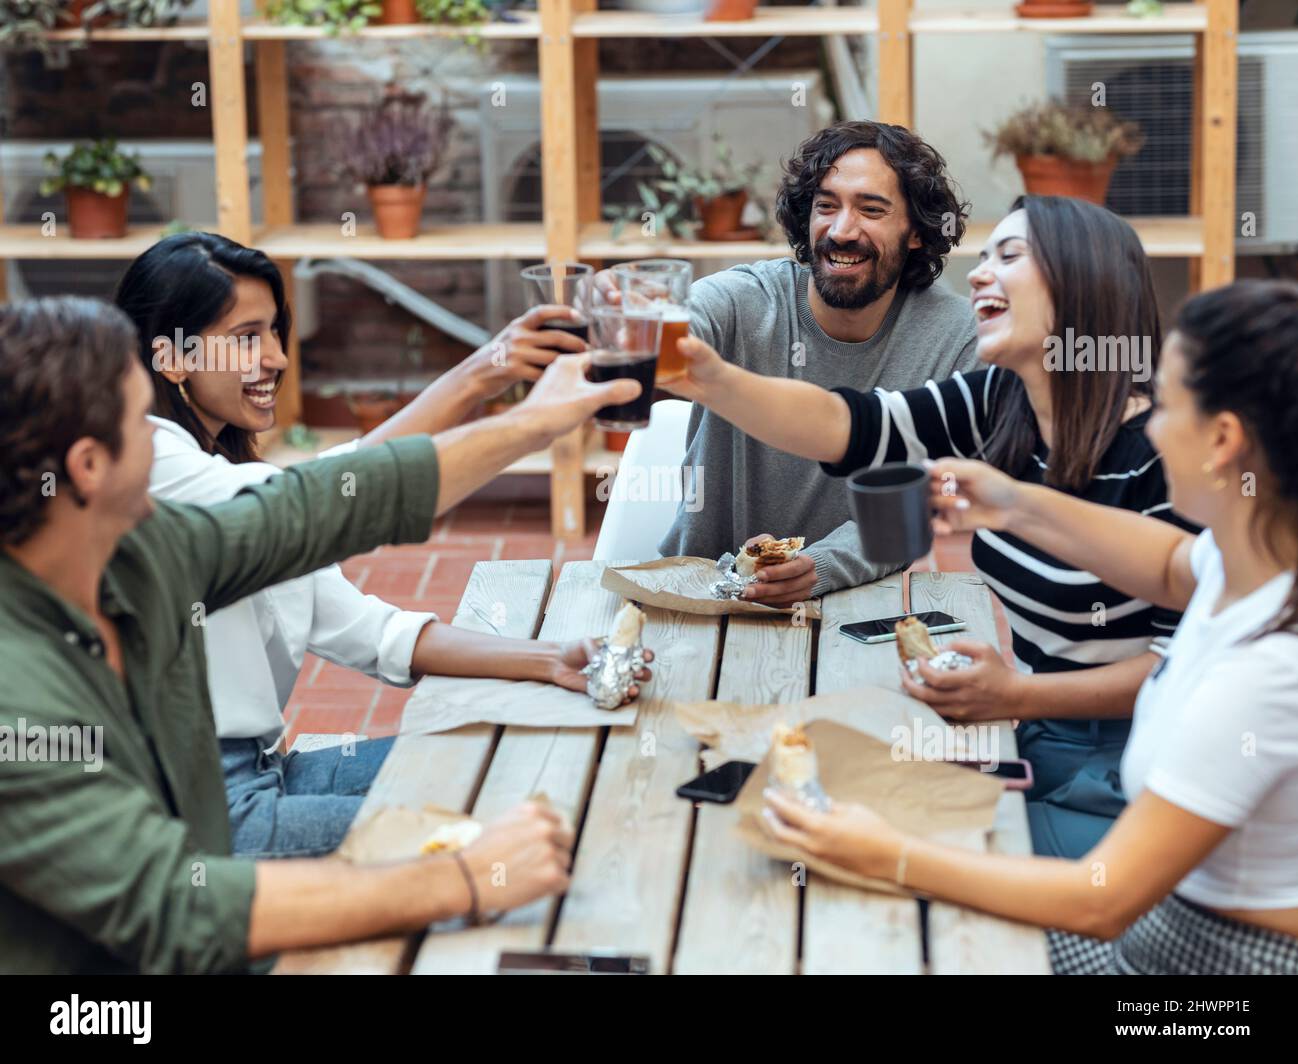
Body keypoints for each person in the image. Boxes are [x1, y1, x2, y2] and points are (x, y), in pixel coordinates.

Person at [0, 295, 645, 974]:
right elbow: (173, 909)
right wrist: (463, 878)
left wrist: (531, 424)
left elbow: (309, 510)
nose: (165, 443)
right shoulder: (18, 694)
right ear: (87, 467)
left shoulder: (135, 555)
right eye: (143, 424)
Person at [760, 280, 1298, 974]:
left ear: (1223, 440)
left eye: (1167, 403)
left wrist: (886, 853)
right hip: (1163, 931)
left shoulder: (1265, 673)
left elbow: (1100, 902)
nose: (1152, 423)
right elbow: (1168, 564)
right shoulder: (1252, 562)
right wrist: (1012, 503)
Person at [659, 195, 1195, 858]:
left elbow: (1186, 668)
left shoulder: (1166, 454)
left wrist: (1019, 694)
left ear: (1081, 280)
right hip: (1027, 732)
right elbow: (842, 424)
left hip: (1134, 764)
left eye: (1009, 256)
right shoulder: (1003, 403)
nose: (976, 274)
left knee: (921, 878)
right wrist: (710, 379)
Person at [115, 232, 649, 858]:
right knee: (485, 840)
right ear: (172, 358)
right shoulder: (150, 463)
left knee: (505, 768)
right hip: (202, 818)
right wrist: (495, 386)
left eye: (274, 332)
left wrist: (548, 658)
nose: (277, 358)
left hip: (265, 775)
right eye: (245, 338)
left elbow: (373, 632)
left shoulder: (224, 476)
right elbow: (328, 494)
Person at [597, 120, 979, 606]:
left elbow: (926, 498)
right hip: (699, 597)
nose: (842, 230)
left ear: (916, 234)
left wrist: (821, 566)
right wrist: (640, 316)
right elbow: (687, 322)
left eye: (871, 210)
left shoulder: (954, 336)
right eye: (826, 206)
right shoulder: (745, 299)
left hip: (851, 602)